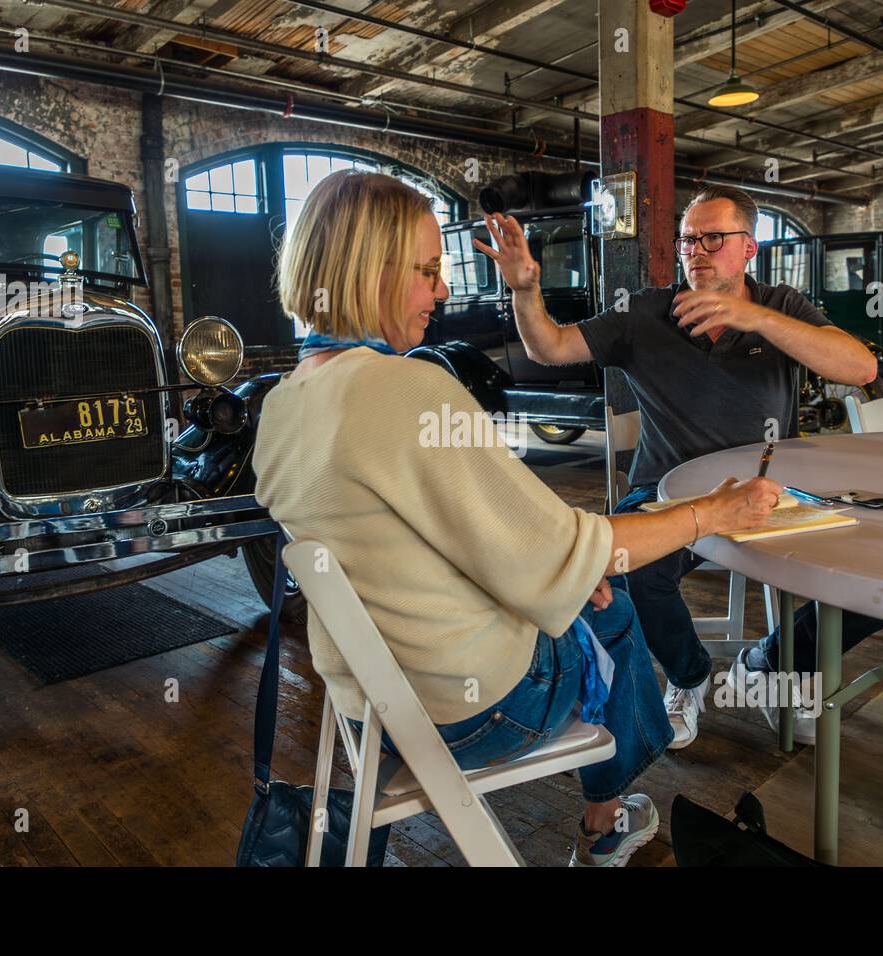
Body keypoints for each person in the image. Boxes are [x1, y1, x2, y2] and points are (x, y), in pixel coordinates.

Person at [253, 170, 783, 866]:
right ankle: (604, 819)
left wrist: (562, 568)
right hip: (473, 712)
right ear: (367, 272)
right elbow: (572, 548)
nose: (442, 291)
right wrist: (711, 512)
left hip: (366, 702)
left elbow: (422, 545)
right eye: (426, 272)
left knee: (585, 587)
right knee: (616, 609)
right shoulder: (409, 389)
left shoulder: (284, 402)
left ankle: (610, 808)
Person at [475, 184, 883, 747]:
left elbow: (860, 368)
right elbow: (550, 347)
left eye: (714, 238)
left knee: (880, 579)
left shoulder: (781, 305)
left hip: (770, 493)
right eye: (689, 239)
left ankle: (767, 664)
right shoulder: (646, 311)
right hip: (665, 492)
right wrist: (526, 290)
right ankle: (691, 675)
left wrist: (754, 317)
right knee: (625, 568)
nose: (696, 249)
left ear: (749, 248)